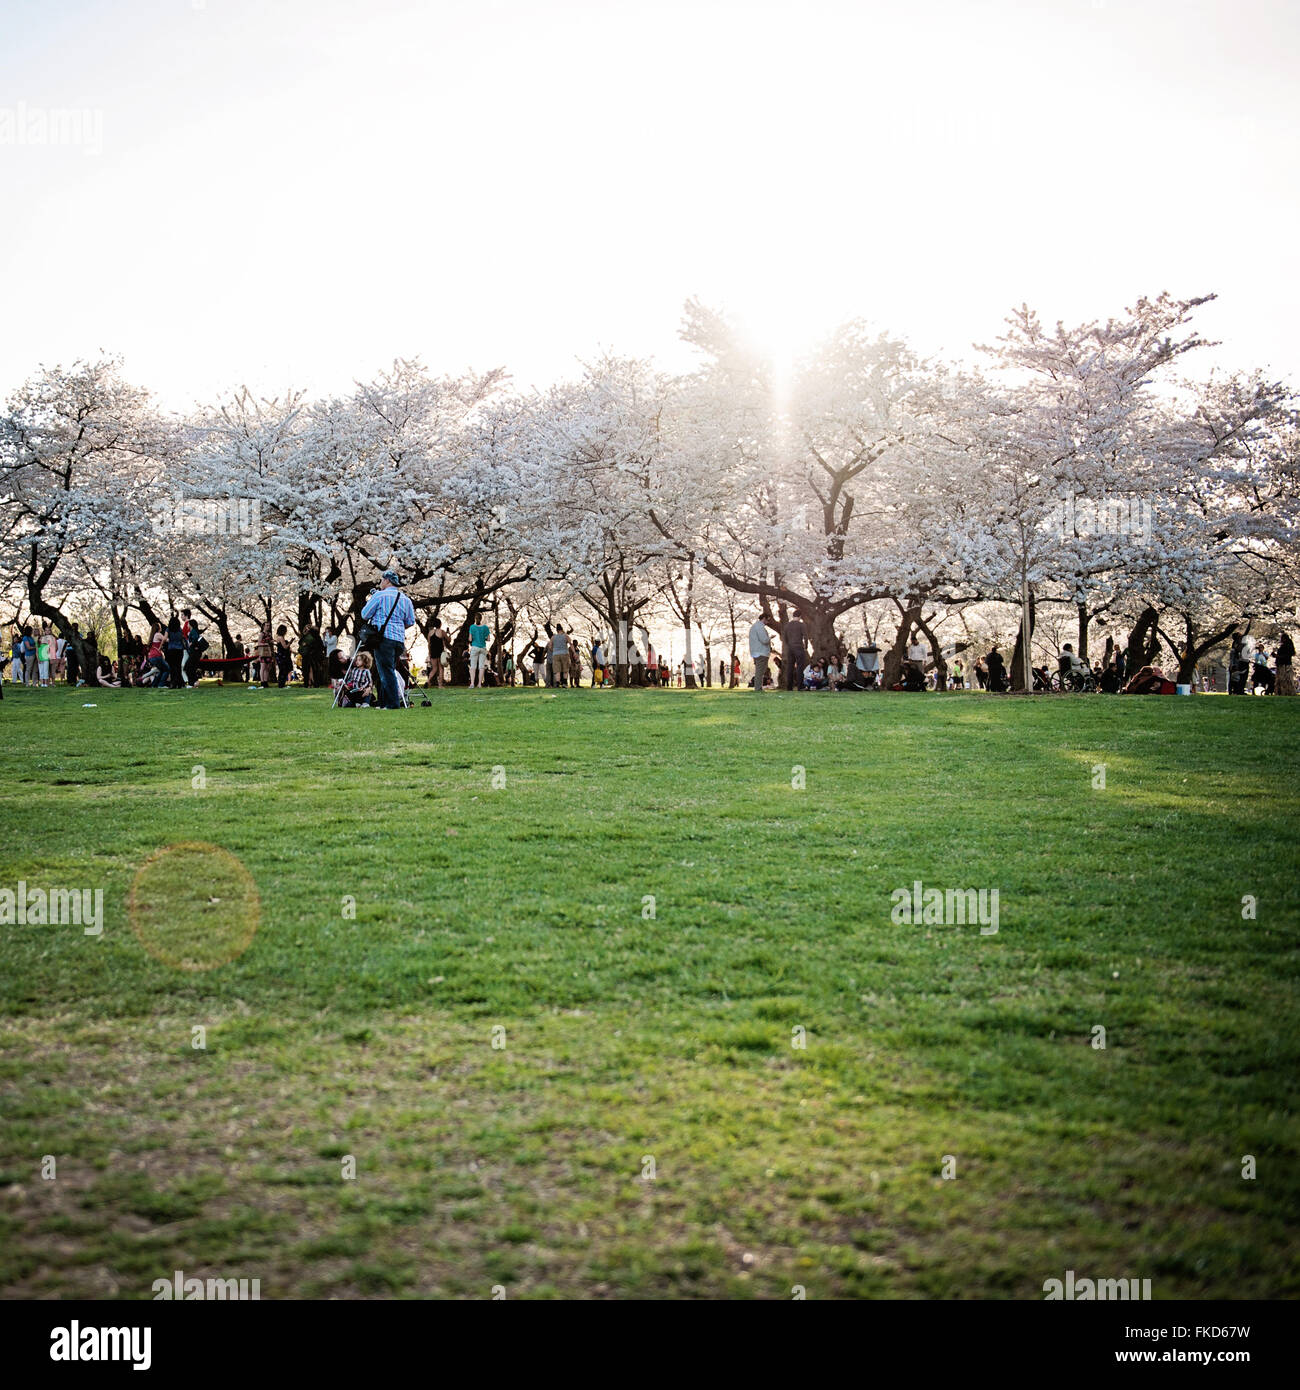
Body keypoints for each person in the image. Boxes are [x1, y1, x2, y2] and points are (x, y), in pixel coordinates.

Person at [361, 571, 417, 707]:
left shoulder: (379, 595)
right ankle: (385, 702)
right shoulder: (405, 599)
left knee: (386, 672)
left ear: (387, 581)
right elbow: (410, 621)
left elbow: (365, 614)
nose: (380, 583)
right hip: (398, 640)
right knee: (389, 669)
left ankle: (392, 704)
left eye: (382, 580)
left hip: (384, 638)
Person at [783, 614, 807, 691]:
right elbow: (805, 636)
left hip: (790, 648)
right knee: (800, 667)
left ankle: (789, 687)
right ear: (800, 616)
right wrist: (806, 647)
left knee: (790, 667)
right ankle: (800, 686)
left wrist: (788, 645)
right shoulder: (801, 625)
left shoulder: (787, 625)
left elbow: (785, 638)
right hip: (799, 647)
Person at [748, 613, 771, 693]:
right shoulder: (760, 627)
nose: (768, 622)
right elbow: (764, 640)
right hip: (761, 652)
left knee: (759, 671)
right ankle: (758, 688)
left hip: (756, 651)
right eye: (768, 620)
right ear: (764, 618)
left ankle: (758, 687)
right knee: (760, 671)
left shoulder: (755, 626)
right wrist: (770, 638)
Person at [467, 613, 491, 689]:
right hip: (483, 648)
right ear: (481, 619)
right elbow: (488, 639)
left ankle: (472, 684)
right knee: (481, 667)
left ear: (475, 618)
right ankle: (479, 684)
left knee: (473, 667)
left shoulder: (472, 627)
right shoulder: (485, 627)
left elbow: (470, 639)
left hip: (475, 647)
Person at [426, 622, 447, 687]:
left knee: (434, 668)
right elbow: (448, 639)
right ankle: (440, 685)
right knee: (441, 668)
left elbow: (429, 644)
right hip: (440, 651)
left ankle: (428, 681)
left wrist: (429, 653)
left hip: (433, 651)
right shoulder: (442, 631)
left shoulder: (430, 633)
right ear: (440, 624)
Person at [1276, 631, 1296, 696]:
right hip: (1285, 664)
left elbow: (1285, 656)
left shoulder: (1286, 646)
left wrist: (1277, 656)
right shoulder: (1287, 646)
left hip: (1284, 665)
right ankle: (1286, 692)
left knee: (1284, 679)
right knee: (1286, 680)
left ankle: (1284, 692)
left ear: (1284, 639)